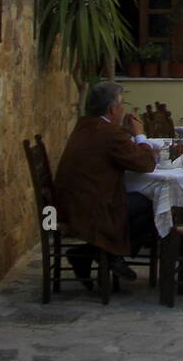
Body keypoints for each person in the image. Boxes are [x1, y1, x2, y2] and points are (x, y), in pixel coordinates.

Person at [54, 80, 156, 289]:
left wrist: (125, 133)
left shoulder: (86, 125)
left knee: (138, 203)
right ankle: (112, 255)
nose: (124, 109)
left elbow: (109, 152)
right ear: (112, 109)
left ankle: (92, 254)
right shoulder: (109, 133)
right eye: (123, 105)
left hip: (71, 203)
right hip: (91, 208)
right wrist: (139, 134)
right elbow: (145, 163)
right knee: (151, 207)